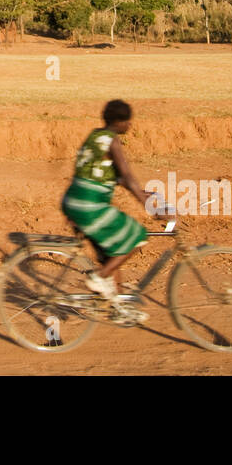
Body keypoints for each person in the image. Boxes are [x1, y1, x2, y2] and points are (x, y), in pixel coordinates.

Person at [61, 99, 160, 310]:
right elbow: (127, 176)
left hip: (73, 201)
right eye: (127, 121)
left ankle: (119, 308)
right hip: (89, 207)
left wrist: (143, 194)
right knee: (136, 237)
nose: (130, 126)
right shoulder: (111, 140)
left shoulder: (95, 136)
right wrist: (151, 207)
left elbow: (116, 178)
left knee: (112, 253)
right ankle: (99, 277)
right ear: (118, 121)